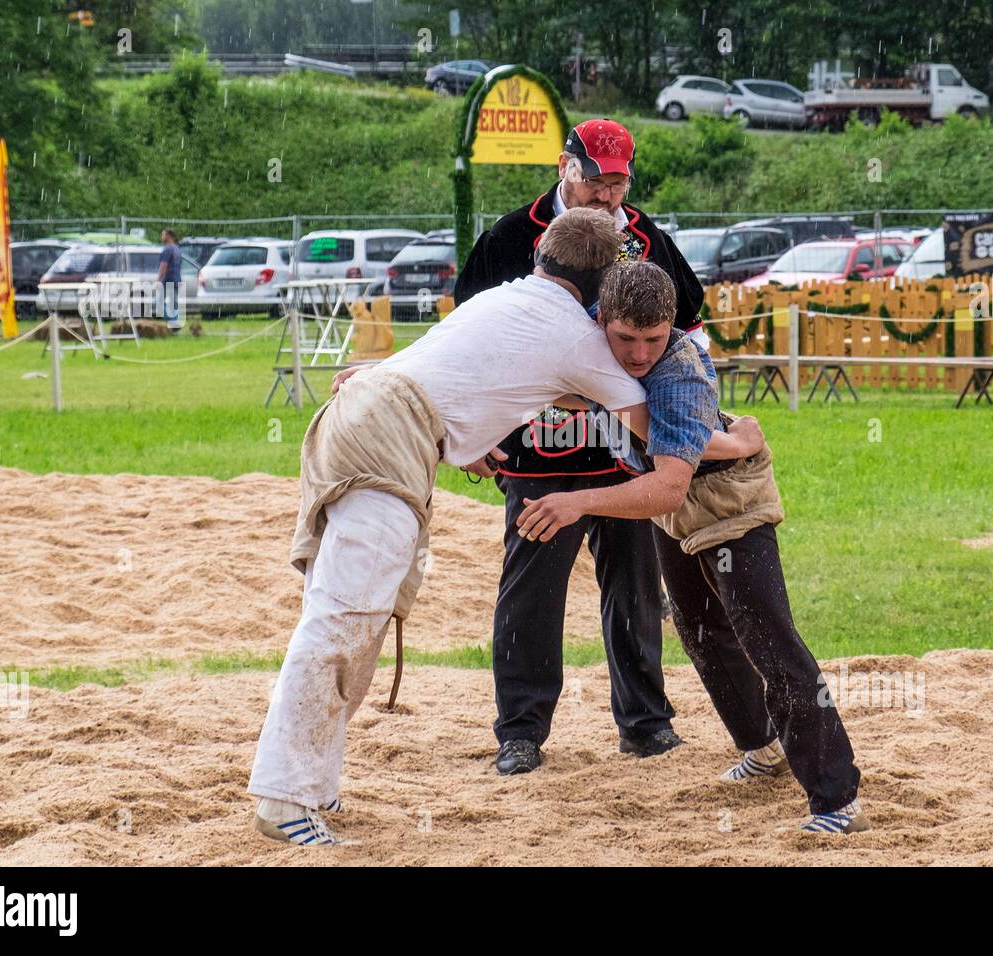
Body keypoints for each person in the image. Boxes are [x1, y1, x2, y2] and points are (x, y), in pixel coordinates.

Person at [248, 209, 764, 846]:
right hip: (391, 433)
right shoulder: (577, 336)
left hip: (364, 414)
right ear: (602, 286)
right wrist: (733, 441)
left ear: (542, 257)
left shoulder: (505, 295)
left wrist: (463, 441)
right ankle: (283, 798)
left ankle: (311, 788)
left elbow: (446, 376)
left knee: (353, 616)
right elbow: (660, 437)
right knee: (344, 617)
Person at [516, 260, 868, 833]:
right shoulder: (578, 331)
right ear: (600, 317)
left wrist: (578, 503)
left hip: (727, 499)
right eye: (625, 339)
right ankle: (763, 745)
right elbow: (499, 356)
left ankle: (835, 798)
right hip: (675, 495)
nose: (637, 354)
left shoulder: (680, 371)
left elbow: (667, 485)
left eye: (652, 340)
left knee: (769, 638)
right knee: (699, 628)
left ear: (672, 328)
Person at [455, 118, 712, 775]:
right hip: (540, 450)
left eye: (617, 182)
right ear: (566, 168)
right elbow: (469, 338)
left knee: (634, 590)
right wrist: (471, 433)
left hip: (626, 453)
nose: (605, 194)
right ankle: (520, 732)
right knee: (530, 594)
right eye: (595, 180)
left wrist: (694, 420)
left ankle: (646, 727)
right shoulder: (512, 237)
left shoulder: (648, 237)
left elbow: (690, 332)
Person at [157, 228, 184, 333]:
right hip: (176, 279)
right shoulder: (177, 249)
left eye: (163, 235)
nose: (162, 237)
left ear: (169, 236)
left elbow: (164, 265)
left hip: (168, 279)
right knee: (173, 306)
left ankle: (174, 324)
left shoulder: (167, 249)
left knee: (159, 305)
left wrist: (159, 280)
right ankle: (177, 331)